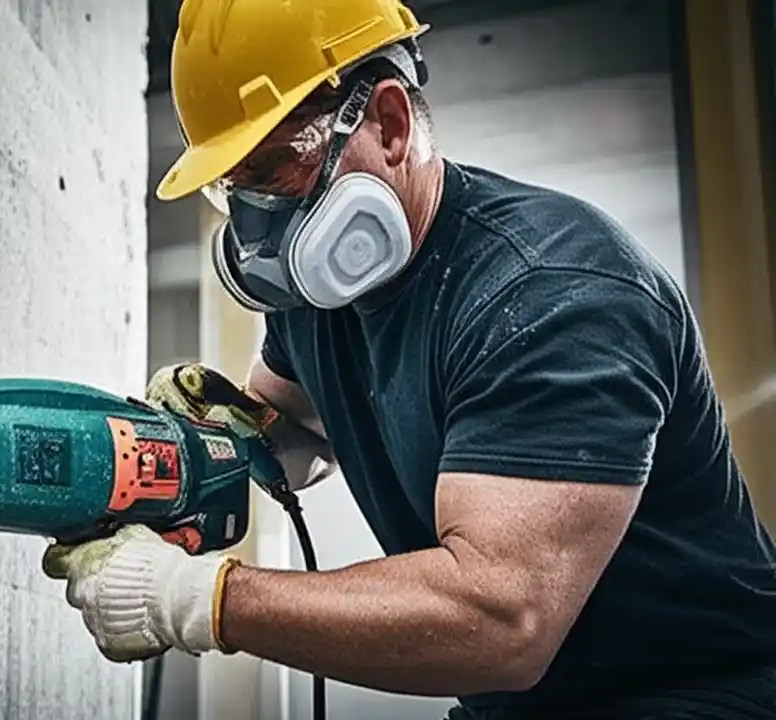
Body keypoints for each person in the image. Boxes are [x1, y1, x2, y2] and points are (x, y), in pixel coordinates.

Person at [42, 1, 776, 718]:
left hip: (693, 695)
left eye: (275, 169)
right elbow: (291, 430)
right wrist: (200, 442)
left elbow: (500, 620)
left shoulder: (555, 295)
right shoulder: (317, 296)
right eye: (234, 188)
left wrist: (193, 597)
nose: (256, 226)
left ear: (389, 125)